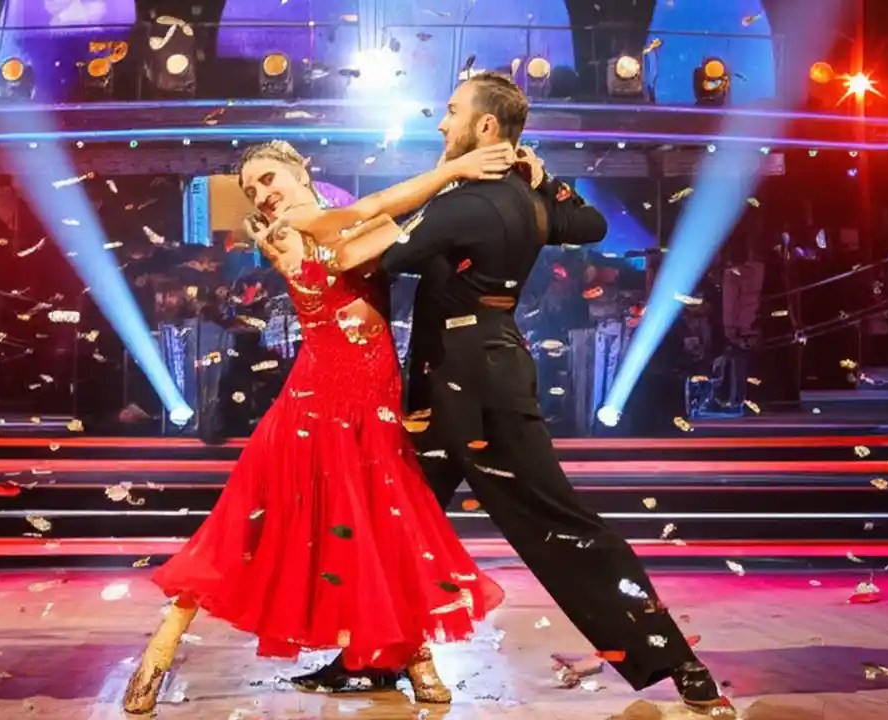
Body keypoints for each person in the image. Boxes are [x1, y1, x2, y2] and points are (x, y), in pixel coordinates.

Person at [266, 73, 733, 715]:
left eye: (451, 113)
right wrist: (539, 176)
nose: (440, 124)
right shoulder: (527, 197)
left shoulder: (463, 204)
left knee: (555, 521)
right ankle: (368, 660)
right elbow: (590, 222)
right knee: (393, 526)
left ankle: (676, 659)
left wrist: (350, 214)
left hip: (472, 389)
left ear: (487, 128)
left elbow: (358, 258)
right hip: (462, 379)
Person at [121, 140, 517, 714]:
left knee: (382, 526)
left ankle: (416, 658)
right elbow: (380, 222)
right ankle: (156, 657)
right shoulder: (293, 227)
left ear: (299, 168)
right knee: (245, 522)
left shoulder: (334, 219)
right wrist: (452, 171)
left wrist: (447, 188)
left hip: (372, 401)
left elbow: (395, 225)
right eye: (252, 188)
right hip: (316, 401)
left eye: (267, 177)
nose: (262, 192)